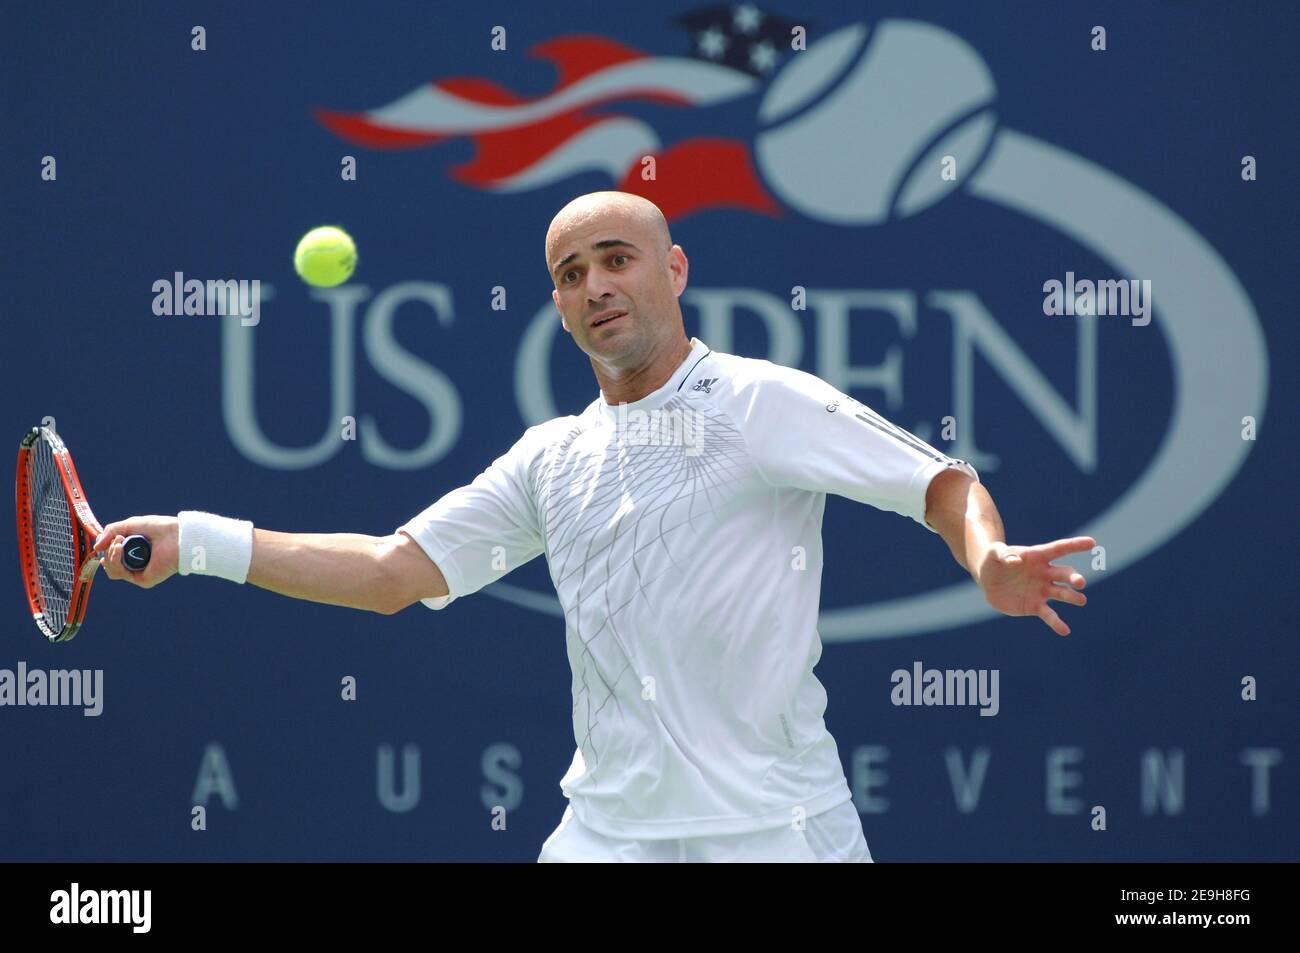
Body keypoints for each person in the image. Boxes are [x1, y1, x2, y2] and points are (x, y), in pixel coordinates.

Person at [96, 190, 1092, 862]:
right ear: (560, 305)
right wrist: (197, 542)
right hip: (607, 835)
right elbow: (394, 570)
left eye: (616, 260)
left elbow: (939, 479)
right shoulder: (550, 458)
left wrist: (988, 556)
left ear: (673, 269)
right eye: (571, 273)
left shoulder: (758, 401)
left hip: (778, 829)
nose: (595, 285)